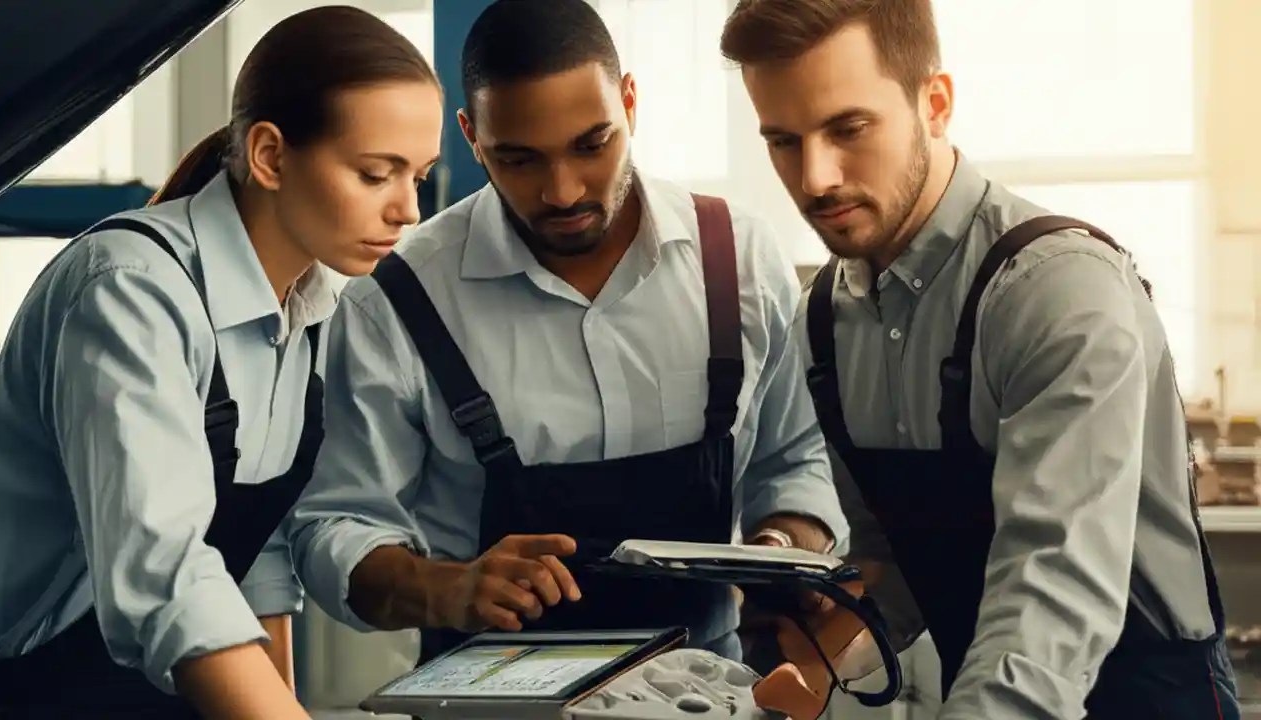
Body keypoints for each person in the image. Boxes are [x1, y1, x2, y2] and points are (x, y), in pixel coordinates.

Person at [719, 0, 1240, 718]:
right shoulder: (825, 319)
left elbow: (1051, 596)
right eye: (782, 140)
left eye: (848, 128)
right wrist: (804, 664)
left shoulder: (1059, 291)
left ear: (934, 103)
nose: (814, 178)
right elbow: (893, 562)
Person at [286, 0, 846, 667]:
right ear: (471, 136)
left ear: (630, 104)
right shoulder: (395, 301)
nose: (562, 191)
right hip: (485, 705)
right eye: (519, 159)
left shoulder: (740, 259)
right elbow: (334, 526)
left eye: (592, 144)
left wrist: (782, 548)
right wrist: (448, 588)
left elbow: (796, 460)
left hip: (707, 690)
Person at [0, 7, 442, 718]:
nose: (408, 210)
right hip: (31, 693)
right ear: (268, 156)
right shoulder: (129, 293)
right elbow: (165, 576)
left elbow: (249, 561)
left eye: (419, 175)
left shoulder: (311, 307)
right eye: (377, 174)